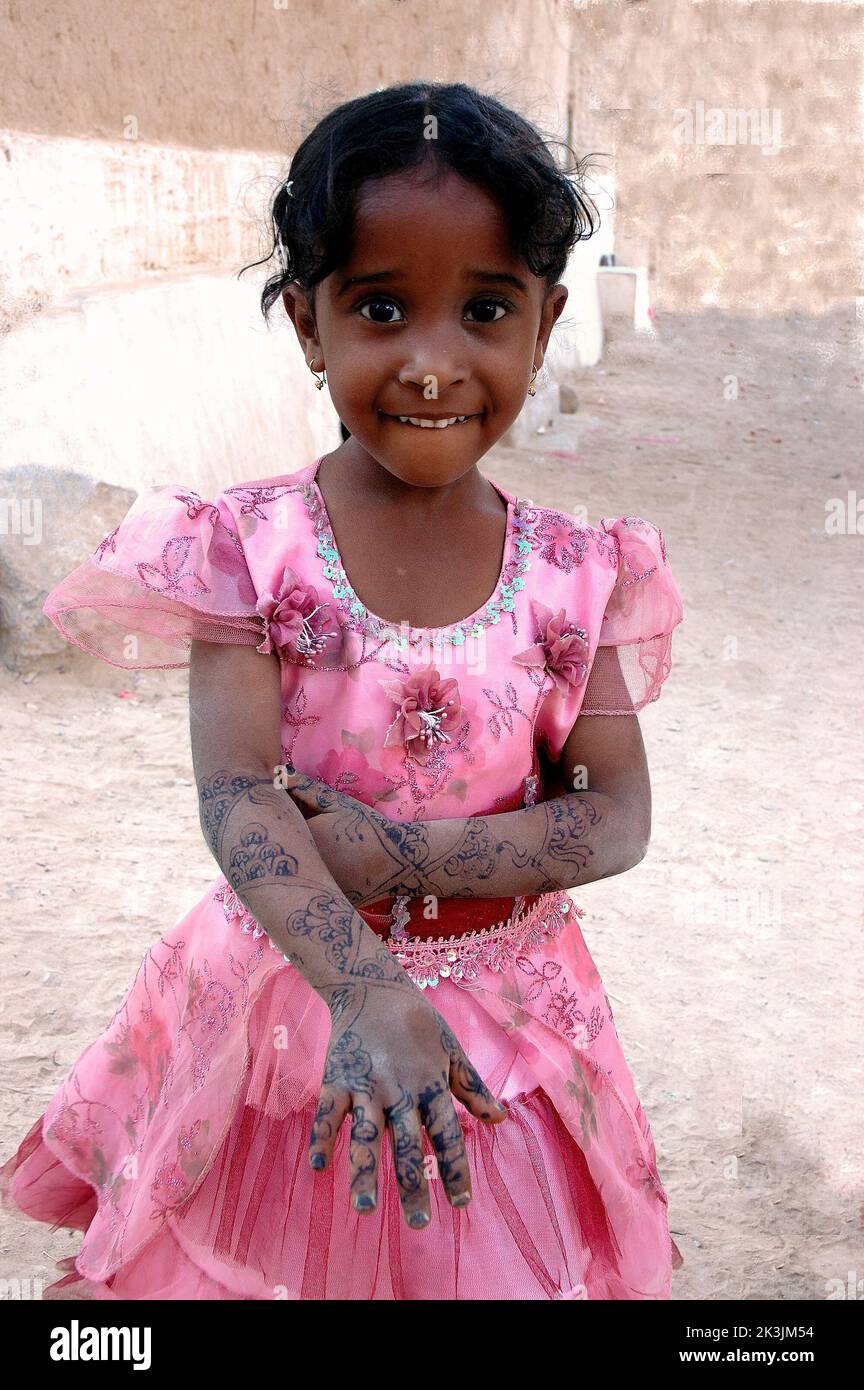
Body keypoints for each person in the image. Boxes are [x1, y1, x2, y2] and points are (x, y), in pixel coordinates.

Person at [0, 81, 685, 1300]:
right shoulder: (250, 553)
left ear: (545, 324)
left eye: (485, 308)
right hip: (295, 1010)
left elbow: (614, 813)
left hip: (503, 1034)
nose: (433, 362)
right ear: (308, 326)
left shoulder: (583, 574)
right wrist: (364, 989)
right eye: (380, 307)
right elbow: (239, 797)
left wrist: (402, 855)